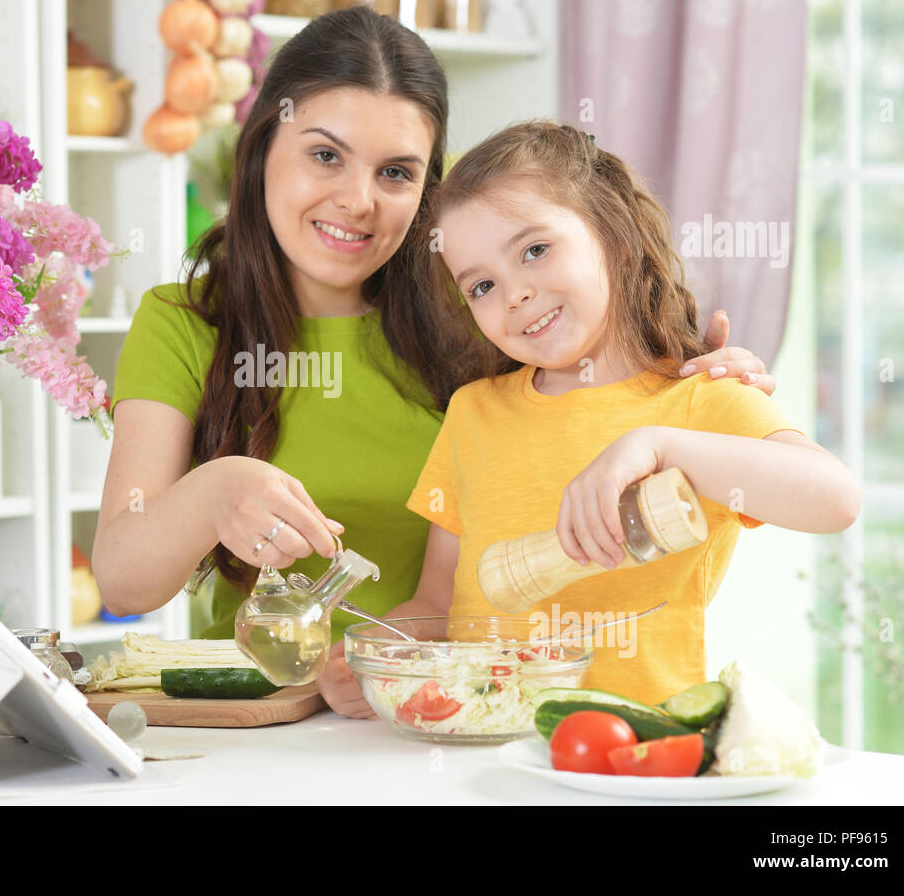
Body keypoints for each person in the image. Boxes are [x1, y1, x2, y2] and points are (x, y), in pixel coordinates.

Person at [92, 8, 775, 713]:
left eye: (395, 172)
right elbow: (122, 580)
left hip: (454, 717)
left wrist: (694, 389)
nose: (358, 202)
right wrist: (215, 490)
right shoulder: (185, 323)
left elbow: (599, 426)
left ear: (425, 192)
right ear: (264, 147)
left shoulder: (482, 318)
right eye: (325, 155)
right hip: (265, 724)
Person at [330, 120, 859, 711]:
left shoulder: (697, 399)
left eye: (535, 250)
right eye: (480, 286)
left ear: (614, 235)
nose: (514, 295)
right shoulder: (474, 412)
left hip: (631, 758)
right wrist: (374, 654)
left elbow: (835, 499)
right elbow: (440, 601)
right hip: (480, 747)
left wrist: (660, 446)